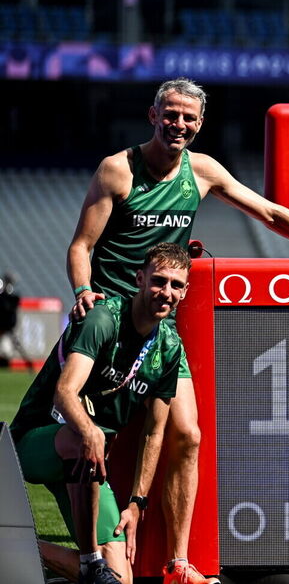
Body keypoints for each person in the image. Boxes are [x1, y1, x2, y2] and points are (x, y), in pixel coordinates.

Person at [67, 77, 289, 584]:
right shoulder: (117, 170)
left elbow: (268, 212)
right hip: (110, 323)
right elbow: (80, 246)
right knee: (83, 440)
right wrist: (83, 291)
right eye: (170, 114)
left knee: (189, 436)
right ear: (153, 115)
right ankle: (89, 551)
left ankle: (178, 562)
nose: (179, 124)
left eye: (189, 118)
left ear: (200, 124)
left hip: (160, 327)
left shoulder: (202, 171)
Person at [10, 244, 192, 584]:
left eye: (176, 285)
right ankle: (91, 560)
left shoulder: (169, 348)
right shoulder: (104, 318)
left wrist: (137, 503)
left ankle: (25, 552)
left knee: (120, 579)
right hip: (40, 441)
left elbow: (154, 432)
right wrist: (91, 431)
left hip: (89, 465)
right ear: (140, 279)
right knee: (84, 436)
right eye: (159, 281)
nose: (166, 292)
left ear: (185, 292)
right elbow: (65, 393)